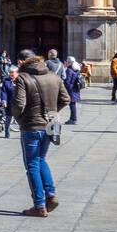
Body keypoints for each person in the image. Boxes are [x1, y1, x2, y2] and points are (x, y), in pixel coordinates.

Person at [11, 49, 71, 218]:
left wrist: (20, 118)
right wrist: (52, 112)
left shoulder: (23, 78)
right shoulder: (53, 75)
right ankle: (50, 196)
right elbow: (66, 99)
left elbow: (18, 104)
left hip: (31, 126)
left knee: (32, 164)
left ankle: (39, 205)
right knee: (41, 159)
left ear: (22, 62)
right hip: (50, 125)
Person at [63, 57, 83, 125]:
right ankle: (72, 118)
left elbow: (67, 82)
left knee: (72, 105)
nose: (66, 63)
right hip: (75, 89)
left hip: (70, 90)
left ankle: (73, 119)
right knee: (73, 104)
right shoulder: (77, 69)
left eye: (67, 62)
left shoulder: (69, 70)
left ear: (70, 63)